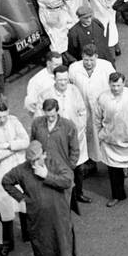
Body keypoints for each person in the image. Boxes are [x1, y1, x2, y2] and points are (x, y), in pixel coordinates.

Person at [1, 141, 87, 256]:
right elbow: (6, 181)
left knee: (67, 245)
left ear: (45, 154)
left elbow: (68, 181)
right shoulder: (22, 170)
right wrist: (21, 199)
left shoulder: (55, 163)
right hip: (38, 220)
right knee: (43, 251)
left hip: (60, 216)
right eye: (31, 161)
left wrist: (47, 175)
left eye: (37, 159)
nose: (34, 164)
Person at [0, 99, 31, 256]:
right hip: (1, 173)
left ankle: (27, 233)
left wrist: (8, 145)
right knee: (4, 208)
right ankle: (5, 242)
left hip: (19, 169)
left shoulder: (14, 121)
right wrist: (15, 148)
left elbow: (26, 141)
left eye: (4, 116)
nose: (1, 120)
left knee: (24, 202)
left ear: (8, 112)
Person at [94, 71, 128, 207]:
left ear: (123, 83)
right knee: (114, 171)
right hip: (111, 142)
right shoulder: (102, 98)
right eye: (113, 86)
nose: (116, 88)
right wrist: (102, 134)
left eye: (118, 85)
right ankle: (118, 195)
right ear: (109, 84)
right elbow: (97, 119)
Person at [31, 96, 85, 210]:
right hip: (43, 168)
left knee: (64, 203)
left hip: (61, 169)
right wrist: (34, 163)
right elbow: (33, 145)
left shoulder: (68, 125)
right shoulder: (37, 123)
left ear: (57, 111)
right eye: (47, 116)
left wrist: (70, 167)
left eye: (53, 116)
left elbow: (75, 149)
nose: (50, 119)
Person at [68, 45, 116, 166]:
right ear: (82, 57)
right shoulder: (74, 68)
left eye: (92, 60)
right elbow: (71, 88)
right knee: (89, 138)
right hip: (85, 111)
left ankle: (117, 164)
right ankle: (91, 164)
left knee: (109, 137)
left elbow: (115, 85)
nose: (89, 63)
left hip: (104, 109)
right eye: (86, 60)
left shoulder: (106, 66)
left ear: (97, 57)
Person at [49, 66, 90, 203]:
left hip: (75, 136)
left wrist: (81, 127)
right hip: (58, 140)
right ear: (54, 79)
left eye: (65, 79)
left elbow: (82, 111)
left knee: (78, 167)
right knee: (61, 170)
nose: (63, 83)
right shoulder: (47, 94)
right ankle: (66, 198)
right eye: (60, 80)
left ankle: (79, 193)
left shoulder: (74, 90)